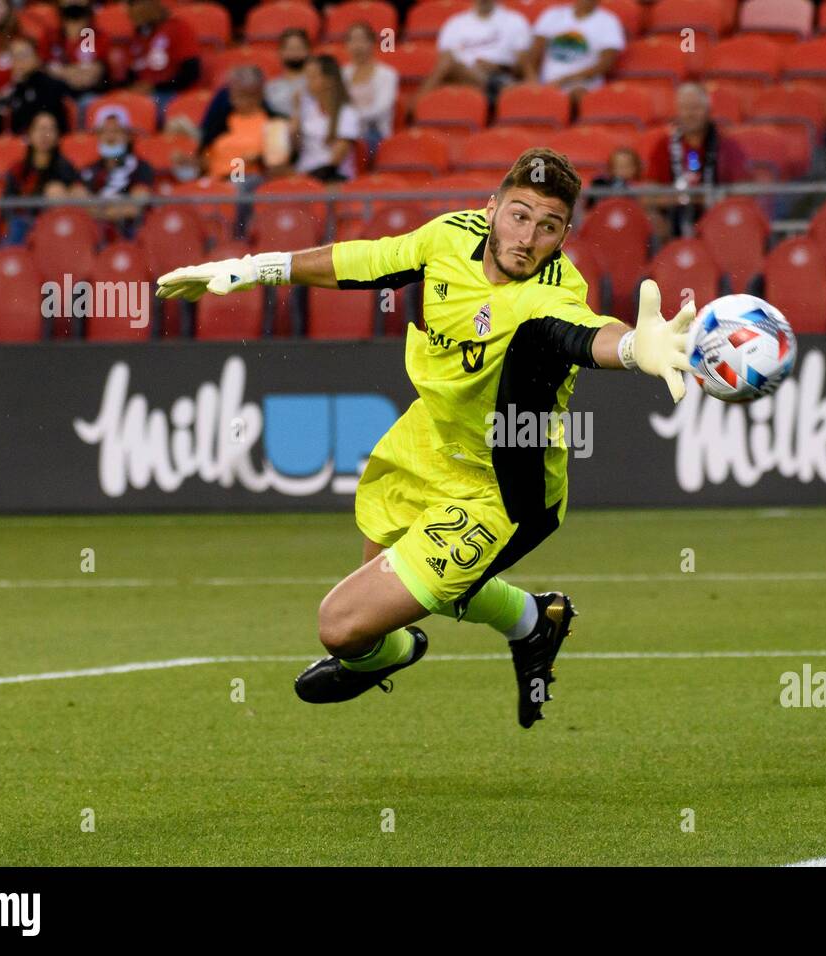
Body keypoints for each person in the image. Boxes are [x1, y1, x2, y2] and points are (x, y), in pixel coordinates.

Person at [154, 148, 694, 727]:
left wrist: (637, 349)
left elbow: (587, 335)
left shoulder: (549, 296)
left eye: (549, 226)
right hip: (429, 440)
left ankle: (394, 651)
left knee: (342, 625)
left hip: (500, 488)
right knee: (393, 583)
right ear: (491, 209)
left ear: (563, 235)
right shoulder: (449, 238)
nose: (528, 237)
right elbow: (366, 260)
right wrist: (254, 268)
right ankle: (533, 620)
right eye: (518, 214)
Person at [645, 83, 749, 234]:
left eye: (695, 108)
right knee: (652, 220)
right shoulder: (664, 145)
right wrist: (681, 200)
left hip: (716, 220)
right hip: (673, 216)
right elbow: (649, 192)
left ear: (708, 110)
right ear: (677, 112)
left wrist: (709, 200)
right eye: (685, 108)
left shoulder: (725, 144)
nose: (690, 114)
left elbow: (743, 190)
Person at [417, 0, 534, 106]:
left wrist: (498, 66)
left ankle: (416, 105)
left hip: (499, 74)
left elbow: (523, 64)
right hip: (464, 76)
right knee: (447, 62)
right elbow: (443, 62)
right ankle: (494, 88)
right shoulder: (455, 23)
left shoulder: (515, 21)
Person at [1, 109, 83, 245]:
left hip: (56, 227)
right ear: (30, 135)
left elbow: (78, 196)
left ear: (57, 137)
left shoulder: (66, 168)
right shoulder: (17, 170)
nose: (45, 135)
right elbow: (6, 206)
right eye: (40, 129)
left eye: (50, 129)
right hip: (24, 225)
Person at [199, 65, 291, 179]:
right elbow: (203, 159)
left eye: (248, 94)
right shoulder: (219, 120)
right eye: (235, 93)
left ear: (259, 94)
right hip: (215, 181)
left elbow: (277, 166)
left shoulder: (275, 122)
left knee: (239, 183)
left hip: (250, 181)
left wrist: (259, 158)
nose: (239, 99)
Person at [78, 105, 154, 238]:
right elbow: (79, 202)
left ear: (128, 136)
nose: (110, 137)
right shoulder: (89, 169)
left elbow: (135, 208)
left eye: (116, 131)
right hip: (93, 235)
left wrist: (98, 213)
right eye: (105, 131)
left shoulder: (141, 167)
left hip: (129, 234)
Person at [110, 0, 200, 104]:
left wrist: (156, 87)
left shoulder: (177, 28)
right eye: (131, 6)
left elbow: (191, 71)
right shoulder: (138, 37)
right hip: (143, 95)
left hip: (172, 93)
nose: (132, 11)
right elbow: (131, 73)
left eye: (137, 4)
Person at [529, 0, 624, 95]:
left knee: (578, 94)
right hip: (547, 82)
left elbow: (605, 64)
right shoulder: (553, 14)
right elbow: (535, 51)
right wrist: (532, 79)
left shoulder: (609, 21)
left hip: (583, 83)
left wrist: (565, 80)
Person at [293, 55, 361, 182]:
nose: (308, 82)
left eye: (313, 77)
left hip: (332, 176)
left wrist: (307, 179)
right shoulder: (307, 109)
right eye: (307, 77)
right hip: (303, 172)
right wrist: (296, 112)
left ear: (329, 80)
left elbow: (335, 161)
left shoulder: (347, 113)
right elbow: (296, 148)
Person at [0, 34, 72, 136]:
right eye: (13, 56)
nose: (18, 61)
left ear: (37, 57)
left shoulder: (52, 87)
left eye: (23, 55)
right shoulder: (13, 91)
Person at [342, 21, 398, 154]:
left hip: (373, 131)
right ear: (347, 45)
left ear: (372, 43)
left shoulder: (387, 74)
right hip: (346, 130)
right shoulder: (342, 73)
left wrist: (352, 119)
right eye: (353, 40)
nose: (357, 45)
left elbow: (381, 108)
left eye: (362, 40)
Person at [45, 0, 107, 100]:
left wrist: (63, 72)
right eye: (69, 16)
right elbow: (46, 69)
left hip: (90, 92)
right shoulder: (51, 37)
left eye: (78, 16)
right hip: (58, 92)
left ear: (87, 18)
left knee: (88, 100)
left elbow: (93, 74)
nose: (73, 22)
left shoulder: (96, 37)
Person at [264, 29, 311, 118]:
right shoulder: (270, 87)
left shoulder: (317, 84)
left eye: (299, 48)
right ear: (280, 52)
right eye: (290, 48)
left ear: (308, 51)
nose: (295, 53)